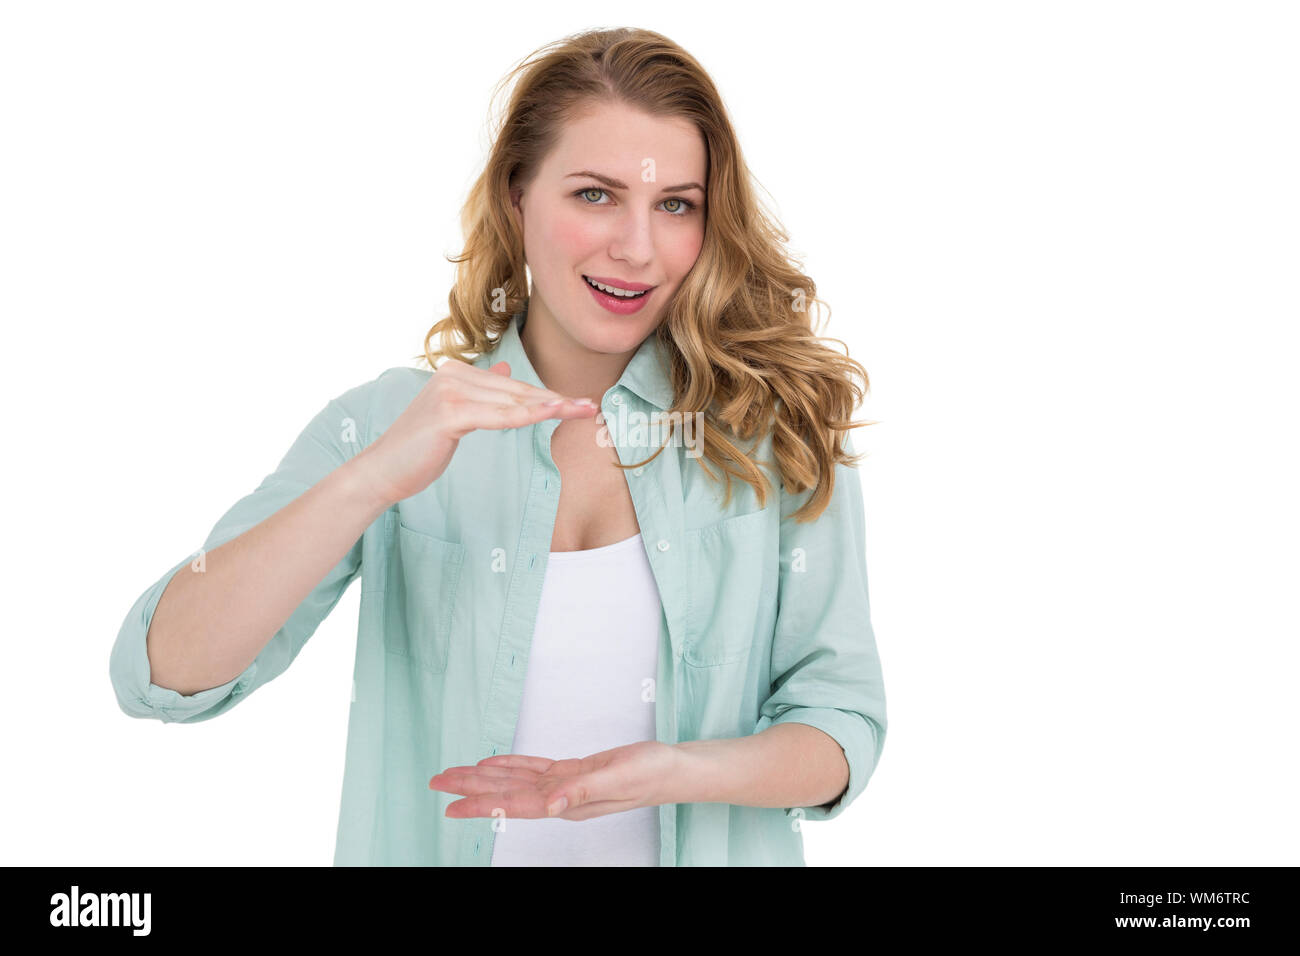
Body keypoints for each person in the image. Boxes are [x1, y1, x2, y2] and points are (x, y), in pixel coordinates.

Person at [110, 27, 888, 866]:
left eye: (675, 204)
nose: (636, 246)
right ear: (517, 195)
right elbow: (162, 676)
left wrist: (677, 769)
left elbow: (841, 725)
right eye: (594, 194)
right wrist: (371, 480)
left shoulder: (772, 435)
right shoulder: (389, 424)